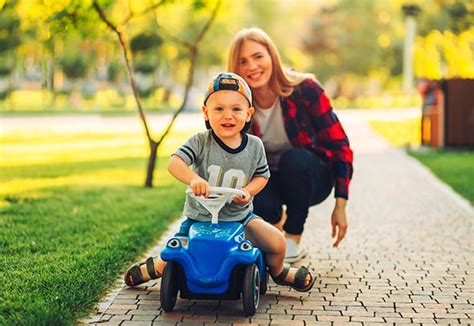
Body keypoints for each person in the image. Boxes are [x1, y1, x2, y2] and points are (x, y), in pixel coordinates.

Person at [124, 72, 315, 292]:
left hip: (240, 218)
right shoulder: (200, 141)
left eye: (236, 109)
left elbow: (262, 176)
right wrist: (194, 179)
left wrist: (248, 192)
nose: (228, 116)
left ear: (248, 114)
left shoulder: (254, 146)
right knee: (173, 253)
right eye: (219, 109)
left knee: (277, 242)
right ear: (206, 112)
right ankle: (152, 269)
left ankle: (280, 272)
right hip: (199, 220)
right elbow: (174, 163)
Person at [227, 28, 354, 263]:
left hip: (310, 176)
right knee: (254, 183)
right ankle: (275, 229)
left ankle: (293, 238)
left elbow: (340, 146)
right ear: (235, 69)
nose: (252, 66)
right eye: (242, 61)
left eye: (258, 56)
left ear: (271, 56)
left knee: (294, 159)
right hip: (267, 181)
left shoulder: (306, 89)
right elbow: (224, 153)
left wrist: (341, 205)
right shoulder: (235, 104)